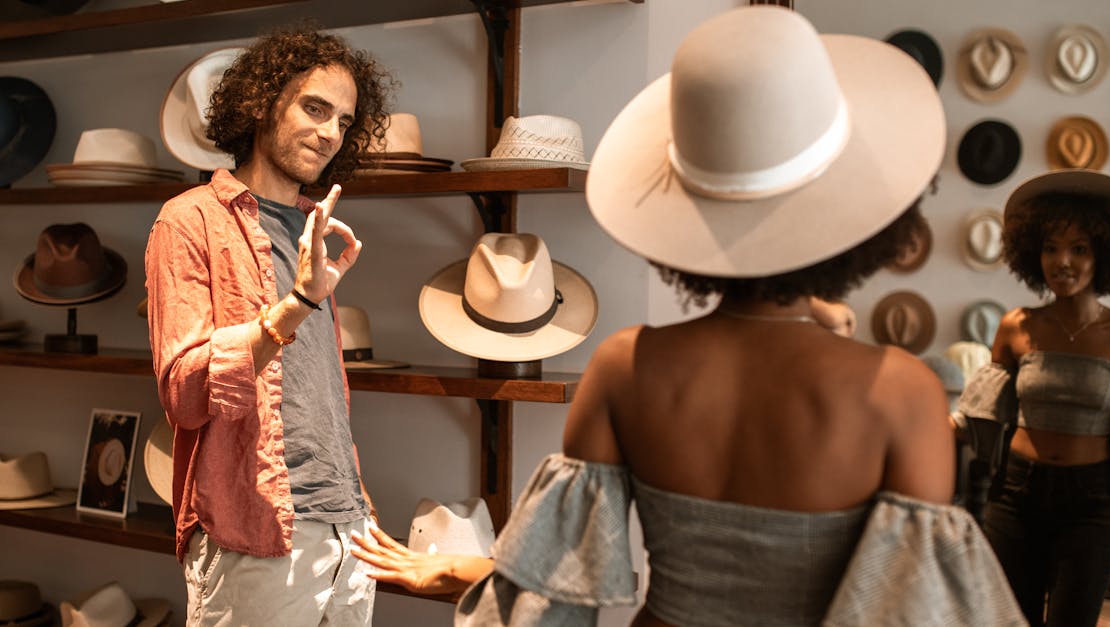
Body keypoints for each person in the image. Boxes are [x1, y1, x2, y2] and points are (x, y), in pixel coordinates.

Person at [351, 7, 1024, 626]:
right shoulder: (900, 390)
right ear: (854, 218)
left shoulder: (624, 365)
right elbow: (919, 607)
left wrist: (467, 565)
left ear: (688, 207)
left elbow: (552, 586)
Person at [144, 24, 391, 626]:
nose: (332, 132)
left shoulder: (313, 223)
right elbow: (184, 392)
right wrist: (297, 303)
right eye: (315, 108)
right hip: (255, 535)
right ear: (261, 101)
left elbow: (316, 393)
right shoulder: (190, 220)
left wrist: (355, 501)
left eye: (344, 120)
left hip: (348, 533)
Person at [955, 168, 1110, 627]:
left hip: (1094, 501)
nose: (1063, 262)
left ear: (1105, 255)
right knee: (1011, 619)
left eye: (1079, 248)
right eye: (1050, 247)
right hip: (1014, 494)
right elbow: (982, 418)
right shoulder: (1017, 326)